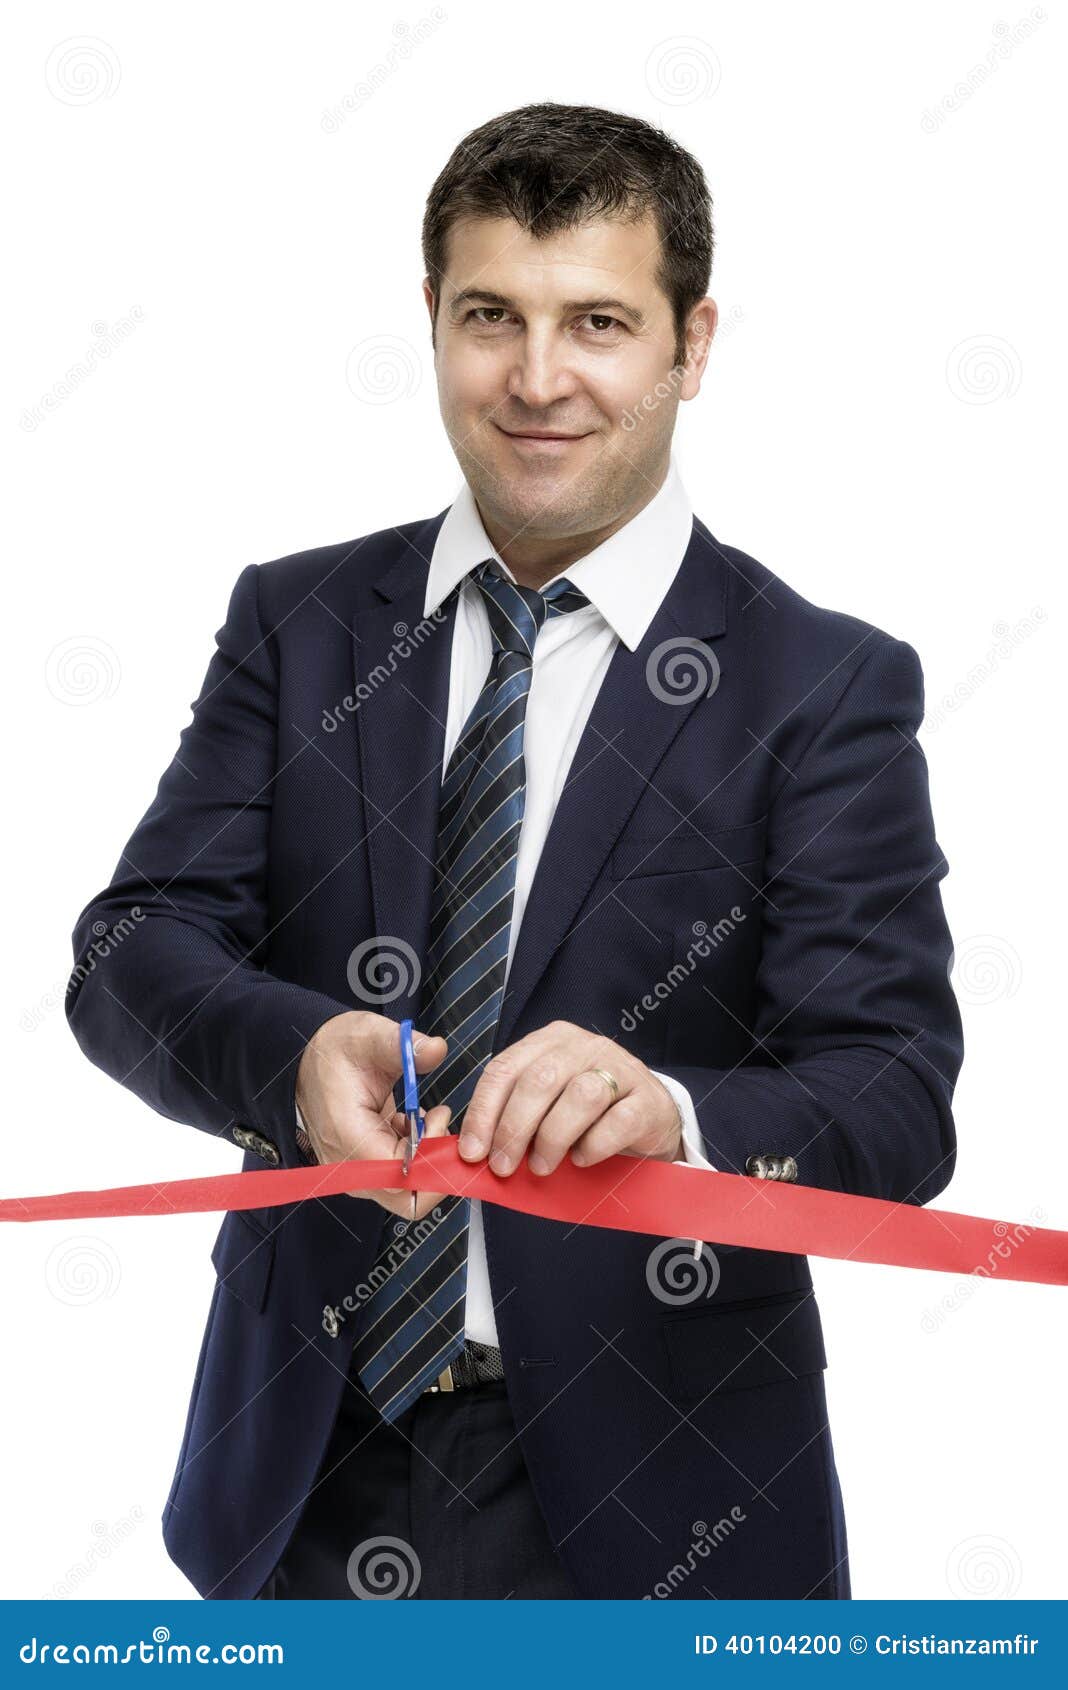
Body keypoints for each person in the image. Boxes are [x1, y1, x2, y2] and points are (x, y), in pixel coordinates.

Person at [66, 102, 963, 1600]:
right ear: (432, 319)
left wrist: (672, 1109)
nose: (538, 380)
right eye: (493, 317)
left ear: (692, 344)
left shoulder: (818, 684)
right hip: (304, 1472)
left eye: (599, 322)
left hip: (666, 1510)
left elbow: (893, 1096)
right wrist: (295, 1061)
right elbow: (131, 950)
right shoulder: (299, 626)